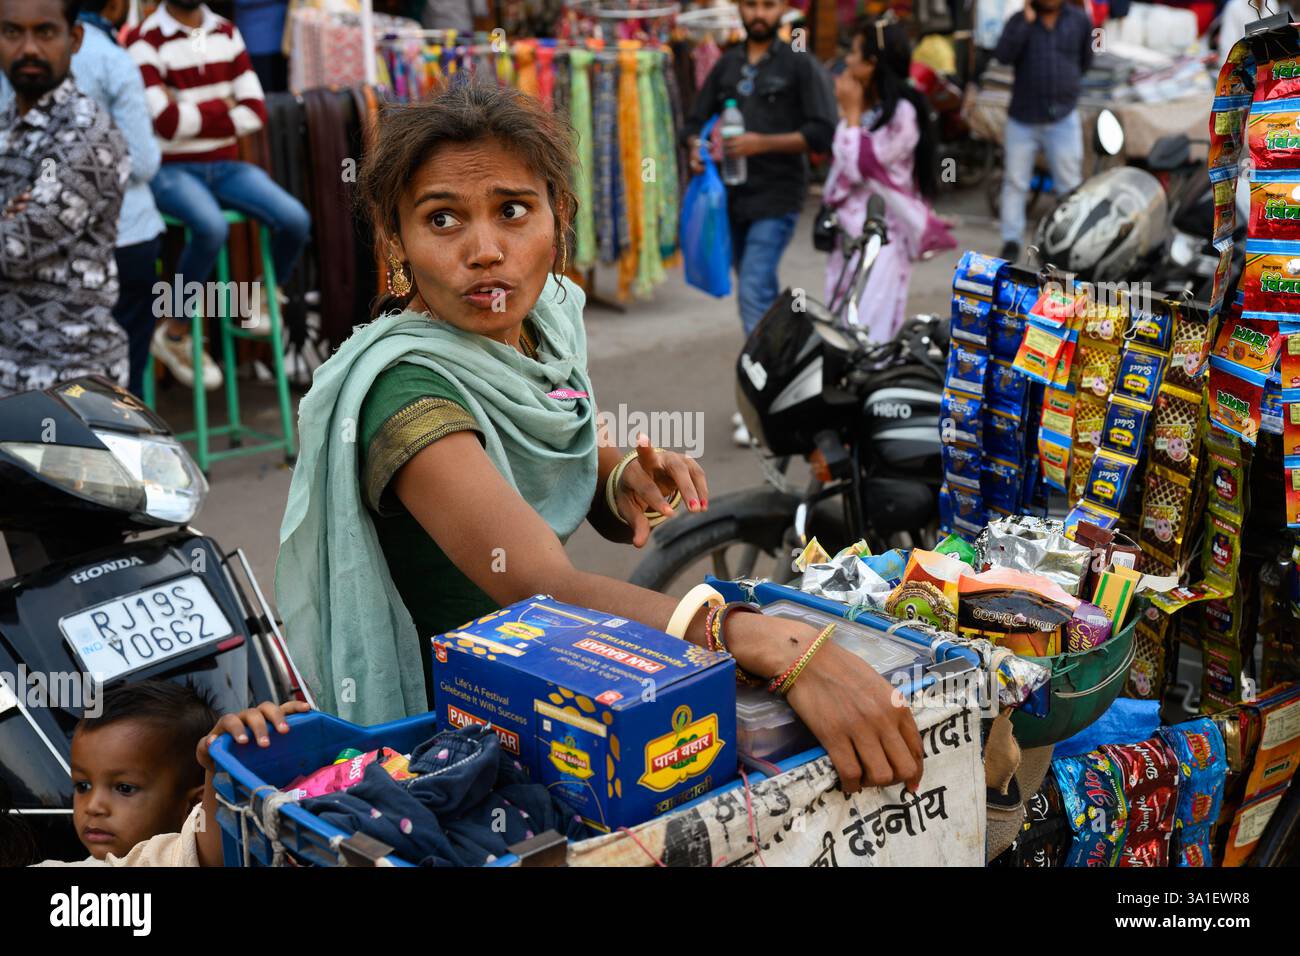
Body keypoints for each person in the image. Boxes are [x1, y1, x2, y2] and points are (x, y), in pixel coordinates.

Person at [277, 83, 924, 797]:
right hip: (458, 734)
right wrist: (753, 635)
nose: (486, 251)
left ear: (559, 215)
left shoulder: (544, 320)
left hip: (549, 680)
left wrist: (618, 478)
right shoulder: (408, 396)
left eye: (513, 211)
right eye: (443, 220)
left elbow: (564, 444)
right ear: (396, 242)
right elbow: (537, 584)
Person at [126, 0, 311, 392]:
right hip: (170, 169)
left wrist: (189, 108)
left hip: (226, 167)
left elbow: (255, 111)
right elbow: (165, 121)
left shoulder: (226, 31)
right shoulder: (144, 40)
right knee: (210, 228)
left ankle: (261, 297)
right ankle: (174, 331)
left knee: (295, 218)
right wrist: (222, 107)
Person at [681, 0, 837, 446]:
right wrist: (695, 147)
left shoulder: (799, 64)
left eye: (767, 5)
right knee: (760, 297)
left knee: (753, 286)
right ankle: (788, 378)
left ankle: (764, 394)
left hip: (777, 197)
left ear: (782, 11)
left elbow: (822, 133)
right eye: (751, 4)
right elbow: (693, 121)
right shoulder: (728, 64)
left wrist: (760, 143)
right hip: (731, 201)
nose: (758, 14)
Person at [0, 0, 166, 398]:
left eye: (44, 32)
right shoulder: (9, 121)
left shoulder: (86, 137)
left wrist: (13, 221)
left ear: (73, 38)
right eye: (12, 33)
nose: (29, 49)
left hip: (68, 382)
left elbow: (14, 247)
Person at [33, 680, 309, 866]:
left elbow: (206, 848)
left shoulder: (162, 859)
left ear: (192, 805)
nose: (93, 807)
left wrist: (219, 765)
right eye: (82, 786)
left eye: (124, 788)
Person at [824, 16, 955, 343]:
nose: (847, 62)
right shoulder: (874, 109)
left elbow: (859, 167)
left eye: (854, 54)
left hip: (882, 239)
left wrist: (851, 115)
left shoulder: (903, 116)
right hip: (849, 235)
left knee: (866, 327)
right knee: (838, 318)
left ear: (871, 64)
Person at [993, 0, 1093, 262]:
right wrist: (1025, 22)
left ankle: (1066, 242)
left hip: (1063, 117)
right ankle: (1011, 241)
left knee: (1069, 186)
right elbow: (1003, 55)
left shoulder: (1079, 21)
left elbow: (1085, 61)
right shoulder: (1019, 21)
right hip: (1023, 118)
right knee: (1015, 182)